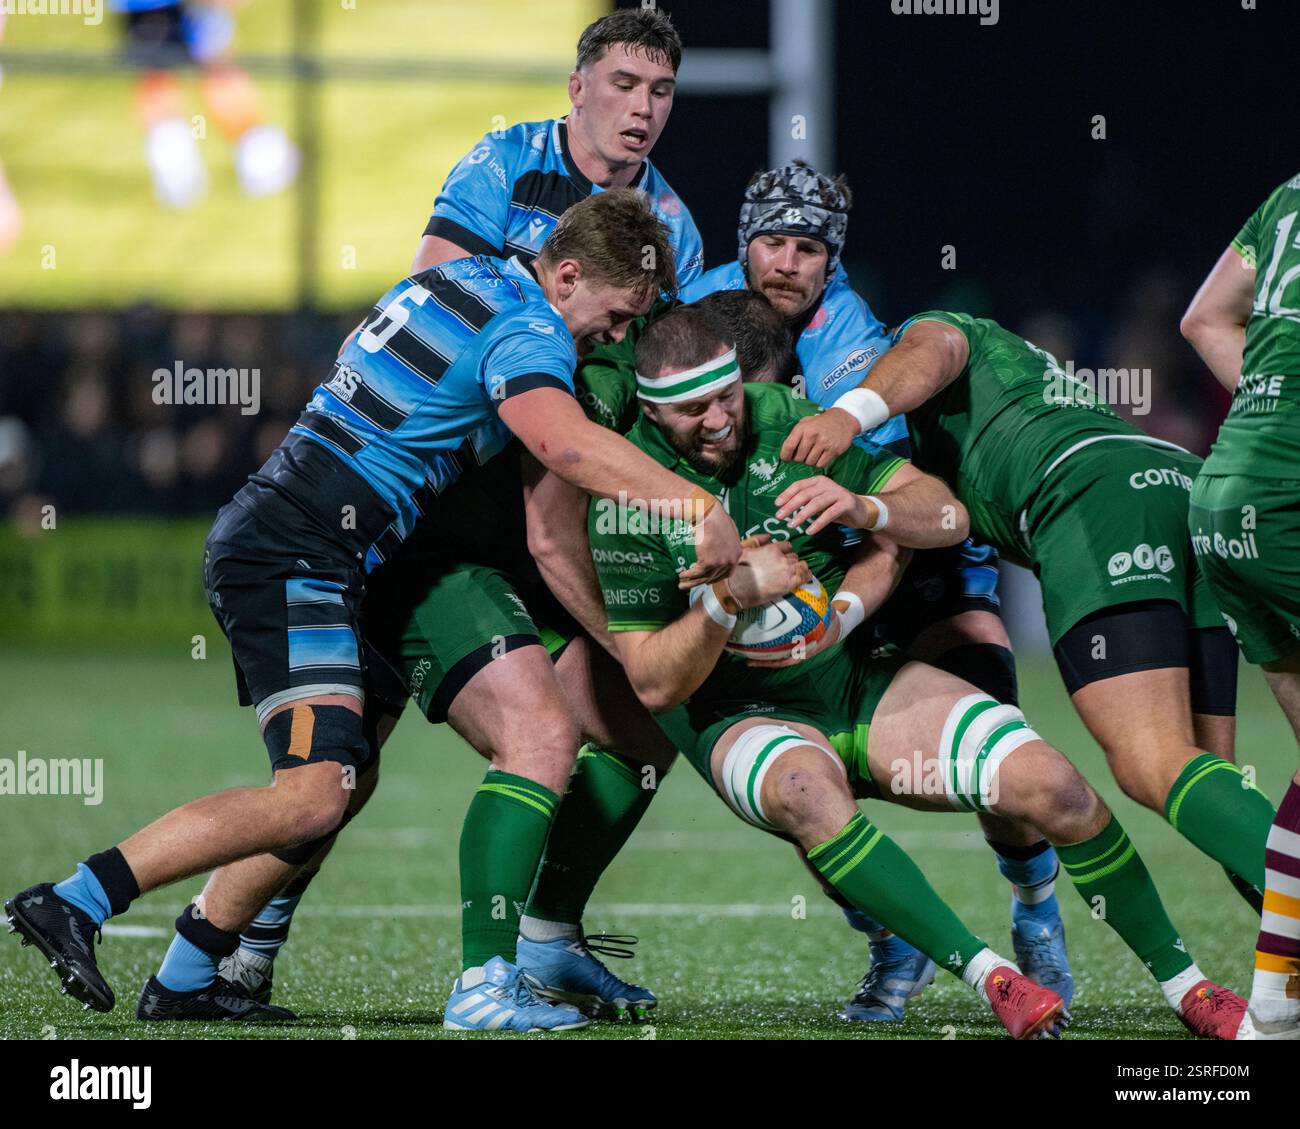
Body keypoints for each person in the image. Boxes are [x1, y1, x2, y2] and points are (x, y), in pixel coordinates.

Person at [3, 189, 741, 1030]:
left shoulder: (462, 276)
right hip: (300, 547)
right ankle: (76, 897)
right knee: (314, 793)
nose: (610, 339)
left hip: (305, 536)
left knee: (345, 777)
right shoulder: (531, 325)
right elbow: (562, 442)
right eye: (613, 317)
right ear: (565, 274)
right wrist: (695, 506)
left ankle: (187, 973)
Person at [584, 305, 1246, 1039]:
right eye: (690, 409)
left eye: (725, 397)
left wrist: (863, 513)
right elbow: (653, 683)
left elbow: (946, 516)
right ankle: (993, 976)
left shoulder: (784, 418)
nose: (716, 420)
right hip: (739, 714)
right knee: (807, 792)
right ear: (649, 410)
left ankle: (1190, 988)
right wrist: (730, 599)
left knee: (1053, 784)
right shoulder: (628, 494)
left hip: (855, 680)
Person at [680, 160, 1069, 1019]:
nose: (785, 261)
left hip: (906, 538)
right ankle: (891, 937)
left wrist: (847, 607)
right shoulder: (697, 307)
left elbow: (895, 512)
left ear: (832, 260)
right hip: (788, 550)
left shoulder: (847, 341)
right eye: (771, 241)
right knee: (801, 773)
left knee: (994, 725)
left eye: (806, 247)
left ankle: (1036, 909)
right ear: (745, 243)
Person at [781, 303, 1278, 943]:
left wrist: (846, 414)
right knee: (1213, 782)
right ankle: (1285, 978)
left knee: (1147, 762)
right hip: (1181, 481)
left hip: (1092, 495)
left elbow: (932, 347)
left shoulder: (918, 340)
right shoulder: (968, 409)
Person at [1182, 169, 1300, 1040]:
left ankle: (1273, 1007)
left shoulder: (1289, 193)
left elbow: (1204, 317)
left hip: (1227, 493)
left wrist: (1272, 410)